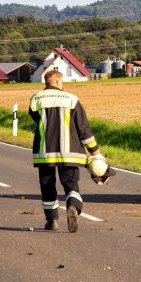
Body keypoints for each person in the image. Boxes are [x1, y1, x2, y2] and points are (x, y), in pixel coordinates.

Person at [29, 69, 100, 233]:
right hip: (70, 153)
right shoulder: (72, 99)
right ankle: (73, 206)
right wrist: (94, 151)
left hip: (44, 153)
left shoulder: (36, 99)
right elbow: (84, 129)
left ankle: (52, 220)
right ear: (58, 82)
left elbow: (35, 117)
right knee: (71, 184)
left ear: (46, 82)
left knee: (47, 185)